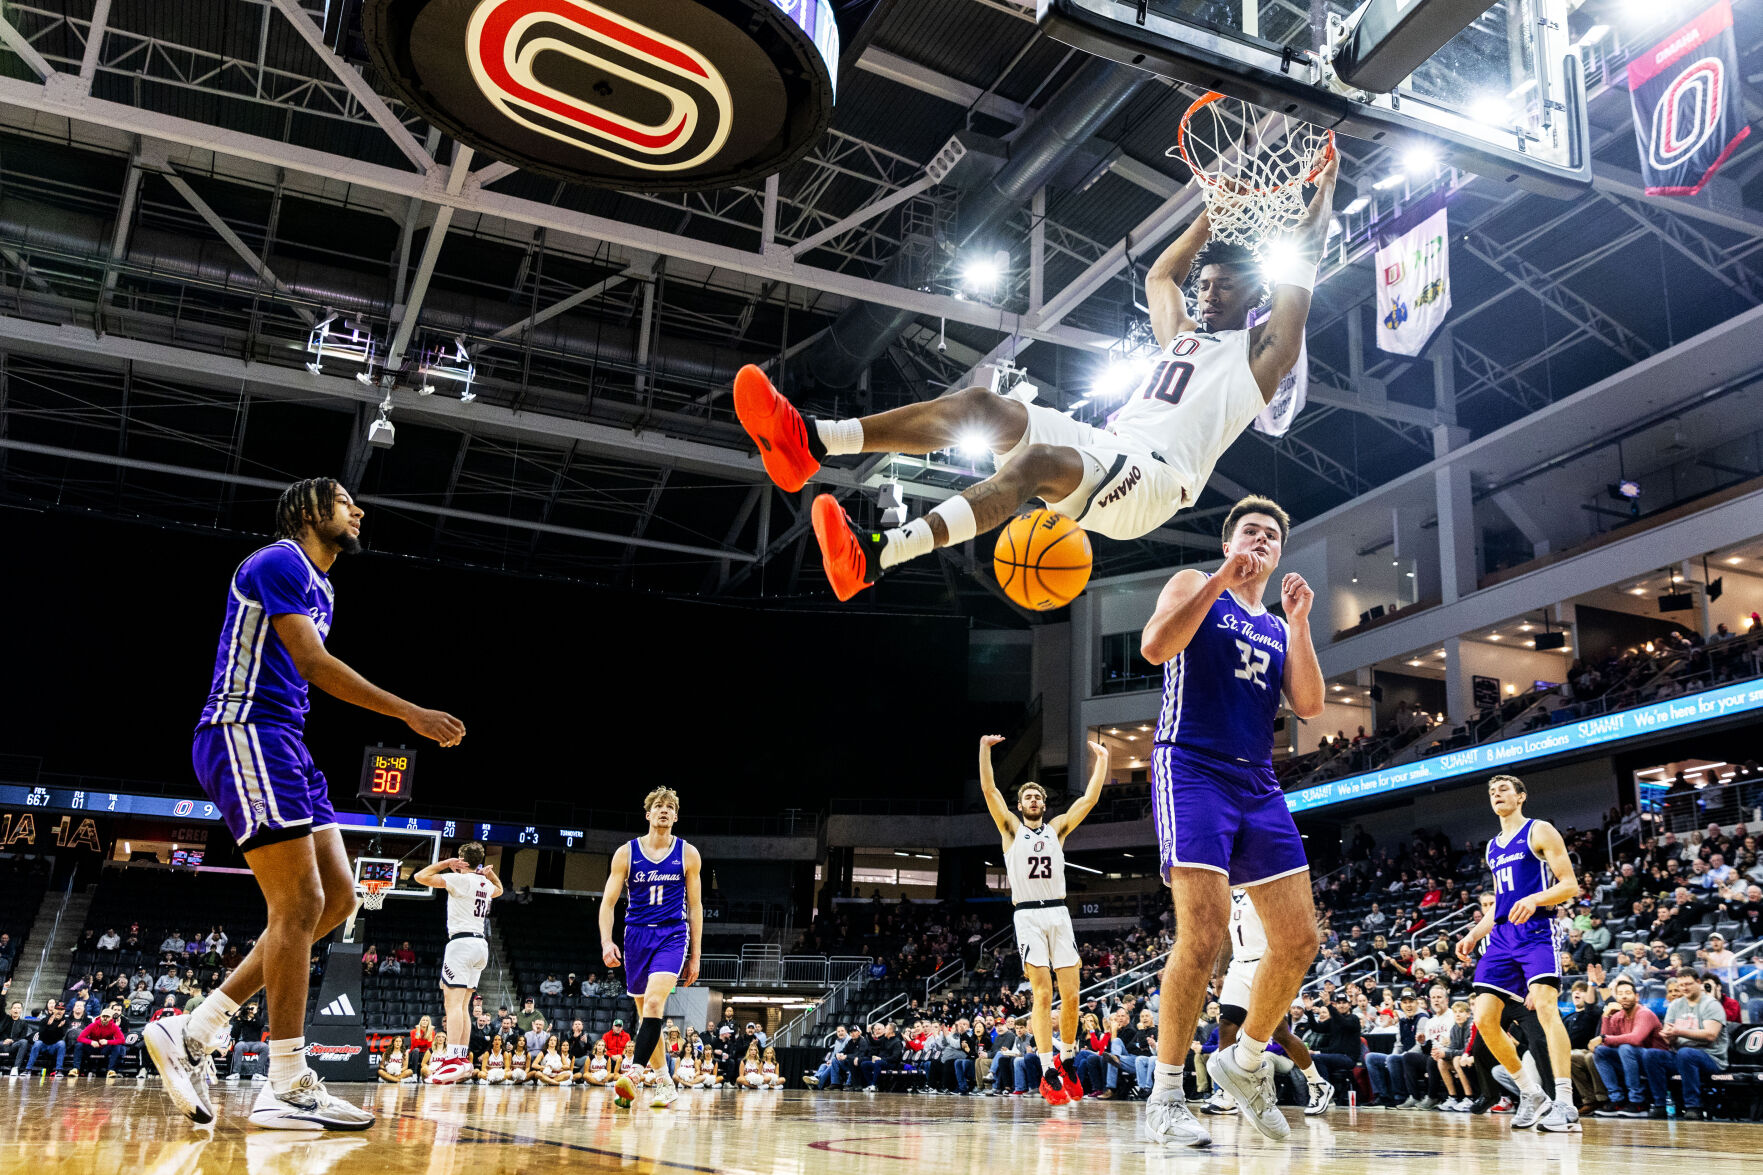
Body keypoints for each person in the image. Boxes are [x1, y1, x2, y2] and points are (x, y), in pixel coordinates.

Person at [729, 156, 1340, 602]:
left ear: (1254, 297)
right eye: (1205, 285)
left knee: (1038, 462)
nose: (1208, 295)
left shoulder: (1259, 357)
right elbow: (1161, 279)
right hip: (1110, 444)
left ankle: (878, 553)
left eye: (1223, 287)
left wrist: (1325, 189)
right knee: (981, 406)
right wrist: (1211, 215)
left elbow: (1304, 263)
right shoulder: (1182, 335)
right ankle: (812, 441)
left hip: (1157, 480)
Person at [151, 477, 464, 1131]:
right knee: (297, 904)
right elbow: (313, 664)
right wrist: (410, 712)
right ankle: (286, 1082)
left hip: (285, 742)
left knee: (339, 898)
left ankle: (197, 1027)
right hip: (244, 731)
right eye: (345, 500)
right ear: (307, 510)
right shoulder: (279, 562)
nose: (359, 509)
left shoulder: (323, 585)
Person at [1139, 495, 1326, 1148]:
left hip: (1257, 781)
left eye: (1272, 535)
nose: (1261, 540)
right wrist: (1220, 579)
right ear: (1228, 544)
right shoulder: (1195, 583)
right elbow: (1154, 646)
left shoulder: (1276, 626)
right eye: (1250, 531)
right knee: (1204, 931)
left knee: (1299, 938)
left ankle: (1244, 1062)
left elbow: (1309, 704)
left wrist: (1299, 623)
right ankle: (1166, 1094)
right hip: (1191, 767)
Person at [976, 732, 1112, 1104]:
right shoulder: (1011, 830)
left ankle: (1066, 1059)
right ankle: (1047, 1068)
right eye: (1028, 797)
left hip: (1058, 913)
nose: (1034, 799)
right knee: (1042, 992)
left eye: (1038, 796)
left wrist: (1102, 761)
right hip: (1027, 916)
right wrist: (985, 750)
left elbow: (1089, 799)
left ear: (1045, 804)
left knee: (1072, 994)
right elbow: (989, 791)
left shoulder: (1057, 829)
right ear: (1020, 805)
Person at [1454, 774, 1582, 1132]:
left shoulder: (1539, 830)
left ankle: (1565, 1103)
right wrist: (1473, 934)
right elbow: (1500, 903)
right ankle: (1531, 1093)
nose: (1496, 795)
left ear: (1521, 796)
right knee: (1483, 1018)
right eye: (1492, 792)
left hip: (1537, 930)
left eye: (1503, 790)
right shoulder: (1492, 847)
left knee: (1545, 1007)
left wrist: (1535, 899)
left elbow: (1569, 885)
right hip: (1502, 937)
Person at [600, 786, 702, 1111]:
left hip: (672, 934)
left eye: (670, 807)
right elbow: (608, 903)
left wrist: (696, 955)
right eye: (659, 805)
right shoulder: (626, 853)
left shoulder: (688, 853)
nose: (664, 810)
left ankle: (633, 1073)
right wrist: (606, 941)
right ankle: (664, 1081)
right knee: (646, 1014)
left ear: (676, 816)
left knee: (656, 1003)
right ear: (648, 814)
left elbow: (695, 906)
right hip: (636, 936)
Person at [1209, 889, 1335, 1116]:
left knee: (1280, 1033)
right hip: (1238, 966)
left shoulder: (1263, 889)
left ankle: (1318, 1083)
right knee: (1226, 1025)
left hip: (1266, 963)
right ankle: (1228, 1094)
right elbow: (1227, 937)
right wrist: (1219, 973)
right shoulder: (1227, 894)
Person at [413, 843, 502, 1084]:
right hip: (480, 945)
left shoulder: (460, 880)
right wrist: (490, 874)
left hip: (461, 945)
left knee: (452, 1005)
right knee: (463, 1006)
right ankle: (462, 1058)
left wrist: (446, 863)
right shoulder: (484, 883)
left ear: (461, 859)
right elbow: (500, 890)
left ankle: (451, 1059)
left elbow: (420, 876)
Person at [1640, 973, 1729, 1120]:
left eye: (1688, 984)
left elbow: (1710, 1035)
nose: (1684, 988)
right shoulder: (1675, 1005)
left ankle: (1693, 1106)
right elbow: (1669, 1038)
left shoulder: (1711, 1004)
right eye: (1681, 985)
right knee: (1651, 1055)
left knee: (1686, 1053)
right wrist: (1669, 1036)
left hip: (1711, 1058)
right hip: (1681, 1056)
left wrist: (1679, 1031)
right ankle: (1660, 1105)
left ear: (1698, 982)